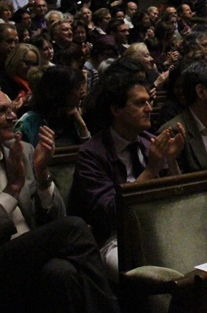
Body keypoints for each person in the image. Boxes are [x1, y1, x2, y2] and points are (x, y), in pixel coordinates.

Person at [0, 83, 117, 313]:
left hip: (34, 256)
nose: (12, 116)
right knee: (75, 227)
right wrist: (13, 189)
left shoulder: (23, 150)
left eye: (11, 109)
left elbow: (56, 219)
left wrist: (42, 175)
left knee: (61, 273)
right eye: (1, 111)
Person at [69, 60, 185, 274]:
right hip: (115, 238)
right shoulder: (92, 154)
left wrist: (171, 160)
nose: (149, 109)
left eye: (149, 101)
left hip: (158, 225)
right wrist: (151, 171)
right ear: (116, 110)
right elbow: (110, 215)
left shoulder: (149, 142)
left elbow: (177, 198)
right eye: (140, 103)